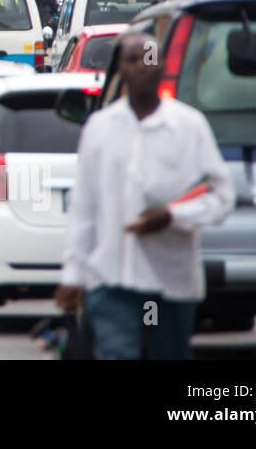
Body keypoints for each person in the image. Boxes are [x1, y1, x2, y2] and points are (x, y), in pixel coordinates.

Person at [55, 32, 234, 359]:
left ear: (162, 65)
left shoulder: (188, 127)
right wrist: (73, 275)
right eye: (131, 59)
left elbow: (221, 197)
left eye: (149, 58)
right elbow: (85, 208)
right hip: (111, 282)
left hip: (168, 284)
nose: (141, 66)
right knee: (117, 353)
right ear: (120, 69)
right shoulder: (100, 128)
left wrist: (174, 217)